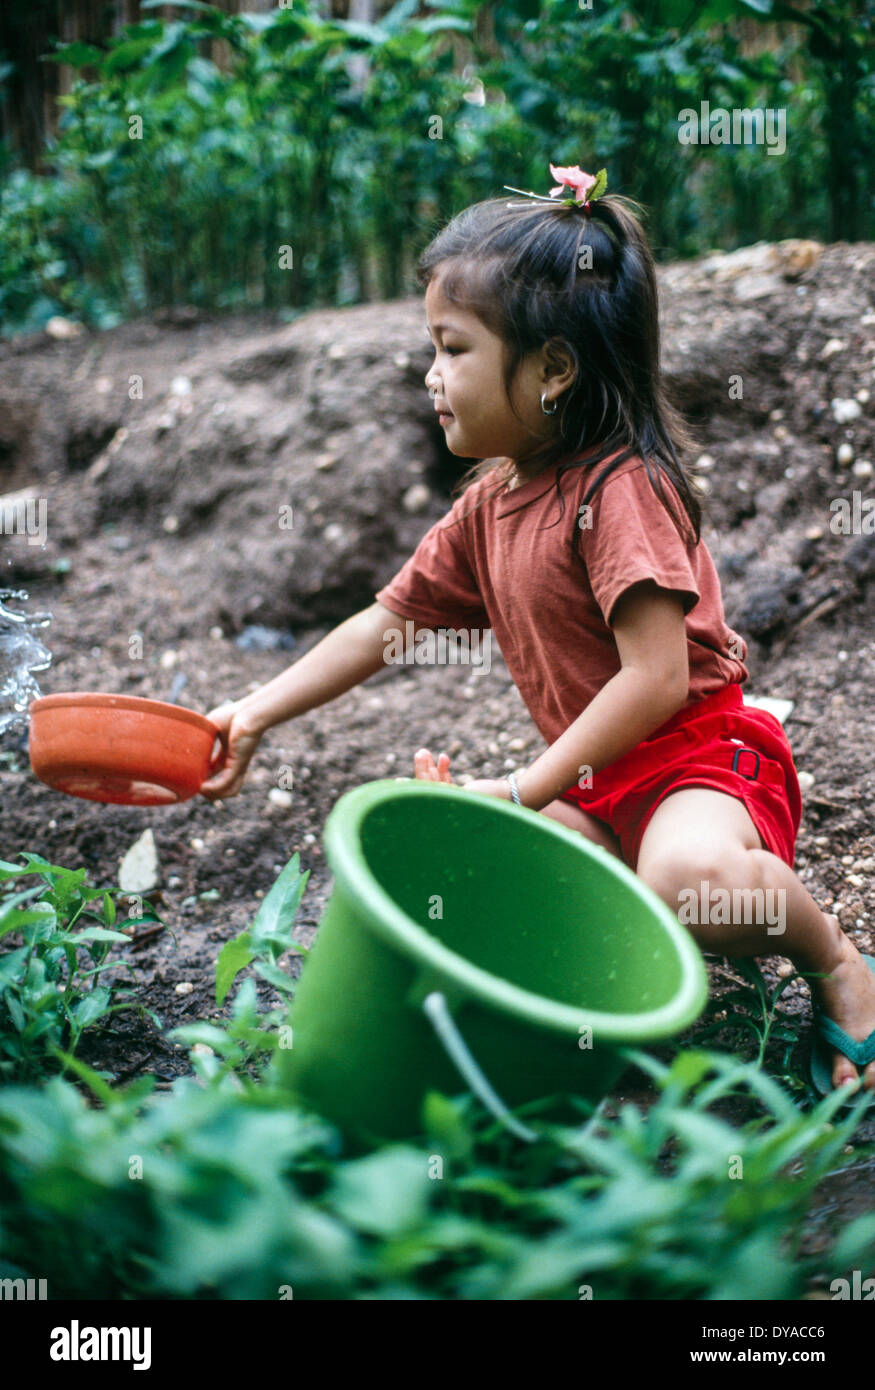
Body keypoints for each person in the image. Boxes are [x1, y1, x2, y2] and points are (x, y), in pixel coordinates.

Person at [201, 162, 875, 1095]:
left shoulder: (617, 490)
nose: (431, 377)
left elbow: (657, 681)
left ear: (553, 368)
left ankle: (835, 959)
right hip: (594, 787)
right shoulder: (490, 505)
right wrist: (254, 711)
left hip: (697, 764)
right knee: (471, 869)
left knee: (685, 883)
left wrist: (521, 789)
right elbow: (383, 625)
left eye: (453, 348)